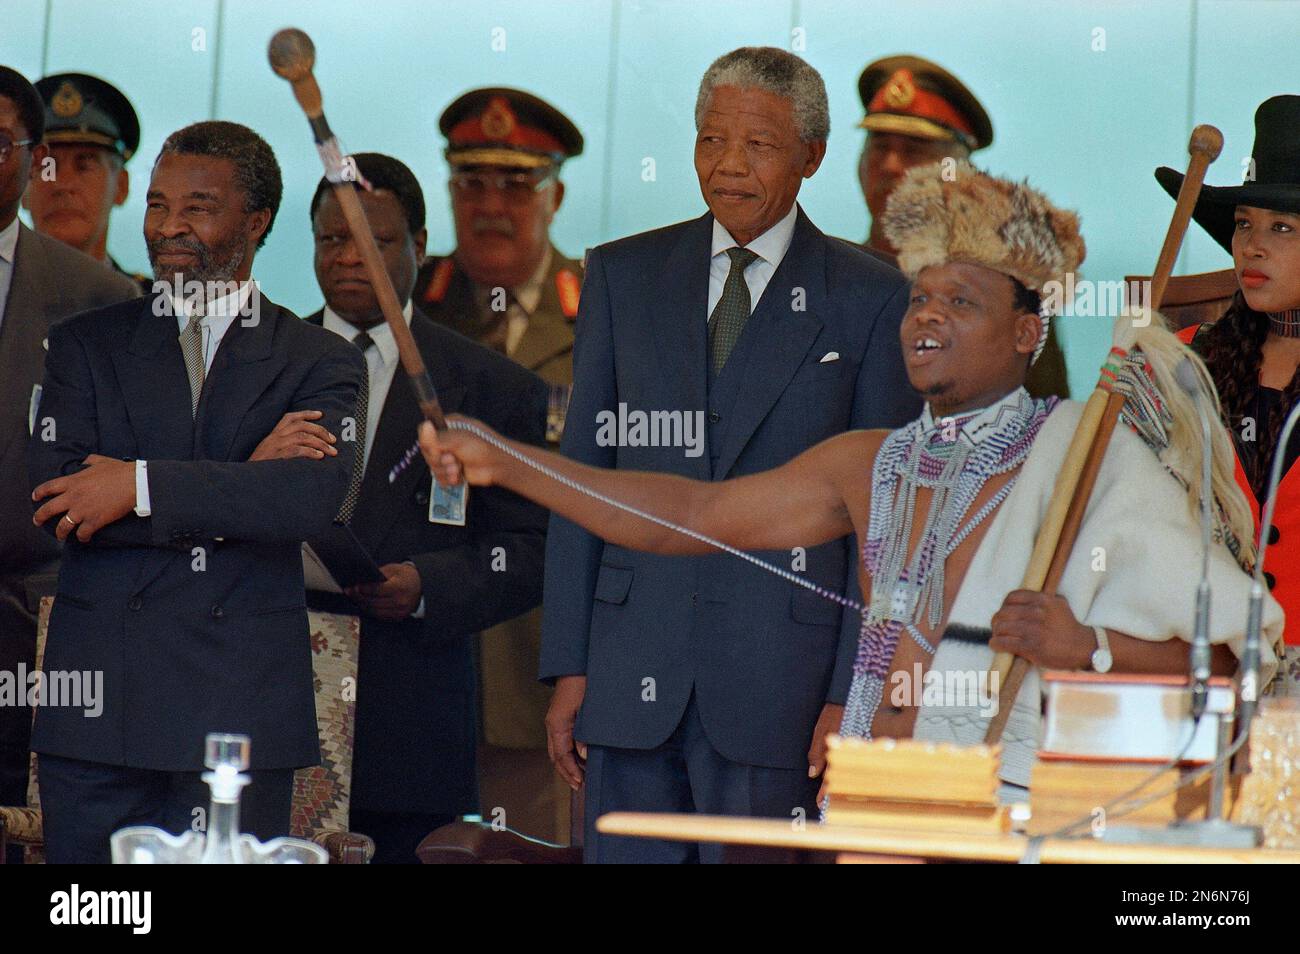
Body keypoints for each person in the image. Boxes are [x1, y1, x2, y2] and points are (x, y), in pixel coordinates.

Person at [420, 161, 1281, 807]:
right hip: (870, 805)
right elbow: (687, 516)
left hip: (1015, 812)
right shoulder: (872, 461)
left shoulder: (1089, 455)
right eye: (919, 298)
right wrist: (513, 462)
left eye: (962, 301)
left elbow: (1237, 657)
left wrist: (1086, 646)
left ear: (1028, 332)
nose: (929, 315)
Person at [537, 46, 919, 862]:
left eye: (759, 145)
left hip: (780, 682)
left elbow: (882, 528)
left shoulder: (873, 296)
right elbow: (584, 482)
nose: (729, 166)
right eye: (712, 140)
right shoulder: (621, 275)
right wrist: (569, 664)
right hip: (628, 671)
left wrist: (849, 693)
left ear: (813, 157)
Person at [27, 120, 365, 863]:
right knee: (93, 917)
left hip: (236, 712)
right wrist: (246, 469)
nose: (169, 226)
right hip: (100, 711)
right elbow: (59, 501)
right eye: (155, 205)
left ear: (256, 221)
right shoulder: (86, 343)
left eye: (197, 207)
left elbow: (308, 501)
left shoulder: (320, 359)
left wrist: (136, 482)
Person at [301, 152, 550, 862]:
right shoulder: (262, 359)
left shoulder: (487, 386)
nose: (351, 259)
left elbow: (532, 549)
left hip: (408, 721)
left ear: (418, 246)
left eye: (376, 242)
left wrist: (428, 588)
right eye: (332, 240)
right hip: (269, 706)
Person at [413, 87, 586, 839]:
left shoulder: (606, 317)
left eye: (517, 186)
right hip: (416, 652)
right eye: (472, 184)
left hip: (541, 667)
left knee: (536, 852)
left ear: (557, 195)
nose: (492, 206)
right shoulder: (410, 306)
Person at [0, 66, 137, 848]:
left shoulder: (123, 306)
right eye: (53, 162)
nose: (60, 182)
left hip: (53, 641)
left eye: (88, 163)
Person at [1160, 94, 1300, 692]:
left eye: (1283, 228)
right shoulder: (1182, 360)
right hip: (1196, 666)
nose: (1252, 246)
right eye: (1244, 223)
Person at [855, 53, 1068, 400]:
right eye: (879, 147)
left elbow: (1040, 421)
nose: (891, 165)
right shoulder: (833, 275)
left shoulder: (1008, 292)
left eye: (914, 150)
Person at [26, 72, 150, 290]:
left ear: (121, 186)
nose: (63, 185)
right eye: (47, 166)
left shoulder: (158, 310)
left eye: (84, 167)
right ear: (23, 187)